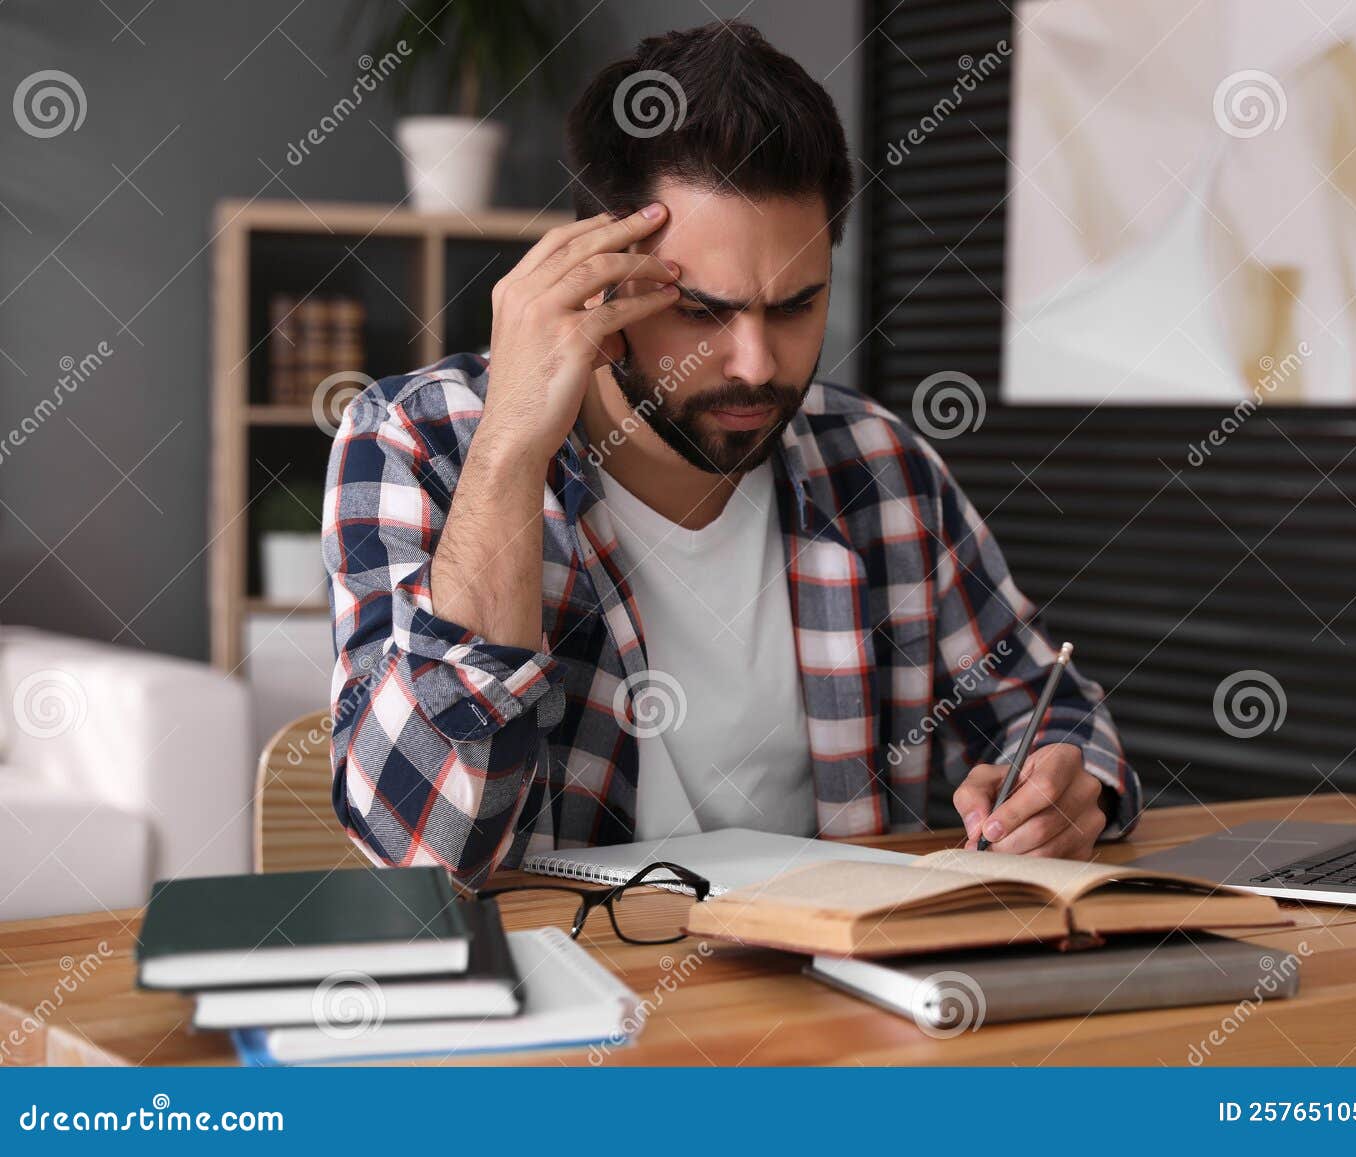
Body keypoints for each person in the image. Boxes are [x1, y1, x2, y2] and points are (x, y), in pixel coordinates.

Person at [323, 21, 1141, 886]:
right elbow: (426, 851)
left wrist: (1064, 779)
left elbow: (1047, 713)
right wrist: (511, 455)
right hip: (566, 987)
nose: (757, 364)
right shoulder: (423, 442)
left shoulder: (878, 466)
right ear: (597, 283)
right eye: (705, 312)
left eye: (794, 306)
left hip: (839, 998)